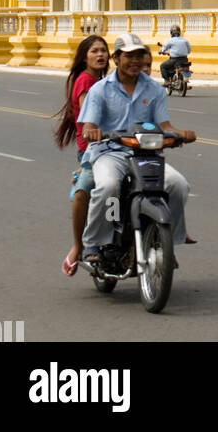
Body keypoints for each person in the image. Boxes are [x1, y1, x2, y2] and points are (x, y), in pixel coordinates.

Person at [79, 33, 195, 263]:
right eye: (129, 56)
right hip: (109, 152)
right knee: (109, 187)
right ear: (117, 58)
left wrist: (180, 134)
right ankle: (95, 241)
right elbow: (88, 126)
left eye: (139, 55)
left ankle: (167, 242)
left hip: (145, 154)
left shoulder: (154, 89)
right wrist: (92, 132)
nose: (135, 61)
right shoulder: (100, 90)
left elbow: (164, 126)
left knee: (178, 185)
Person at [54, 34, 110, 277]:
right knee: (83, 190)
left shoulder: (105, 81)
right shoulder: (86, 81)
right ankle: (78, 245)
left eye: (103, 51)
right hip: (92, 148)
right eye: (94, 51)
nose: (100, 55)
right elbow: (91, 119)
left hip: (113, 144)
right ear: (84, 57)